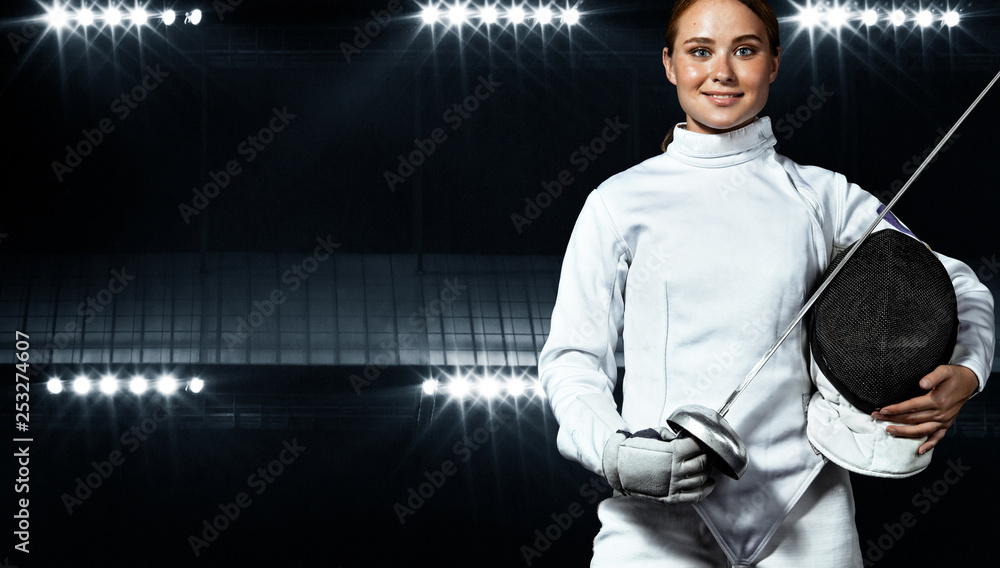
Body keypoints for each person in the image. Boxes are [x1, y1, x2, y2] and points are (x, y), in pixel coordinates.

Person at [537, 0, 995, 566]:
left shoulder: (824, 198)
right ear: (669, 64)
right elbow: (573, 358)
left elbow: (954, 282)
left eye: (745, 50)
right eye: (699, 51)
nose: (722, 71)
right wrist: (612, 449)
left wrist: (971, 368)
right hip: (657, 513)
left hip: (806, 509)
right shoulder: (617, 203)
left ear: (774, 64)